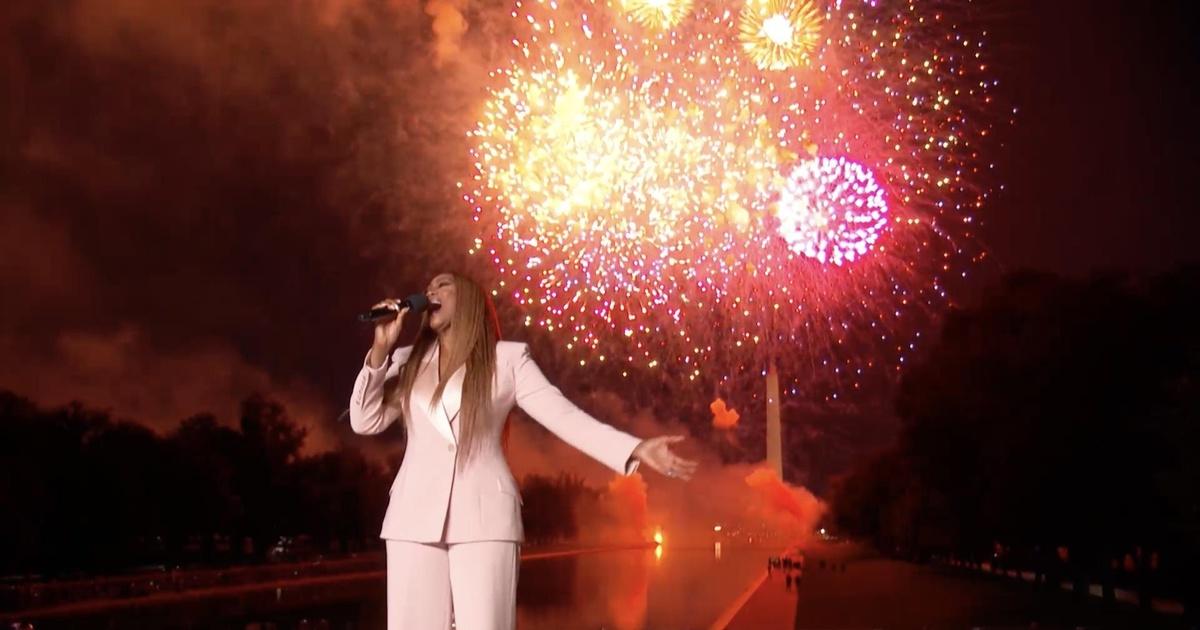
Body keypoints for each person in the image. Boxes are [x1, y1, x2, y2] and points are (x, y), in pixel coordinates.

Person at [348, 272, 699, 630]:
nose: (431, 292)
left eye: (443, 285)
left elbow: (563, 417)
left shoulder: (508, 360)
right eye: (429, 287)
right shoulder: (406, 360)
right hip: (412, 517)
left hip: (485, 519)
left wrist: (635, 448)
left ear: (470, 300)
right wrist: (380, 351)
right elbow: (365, 421)